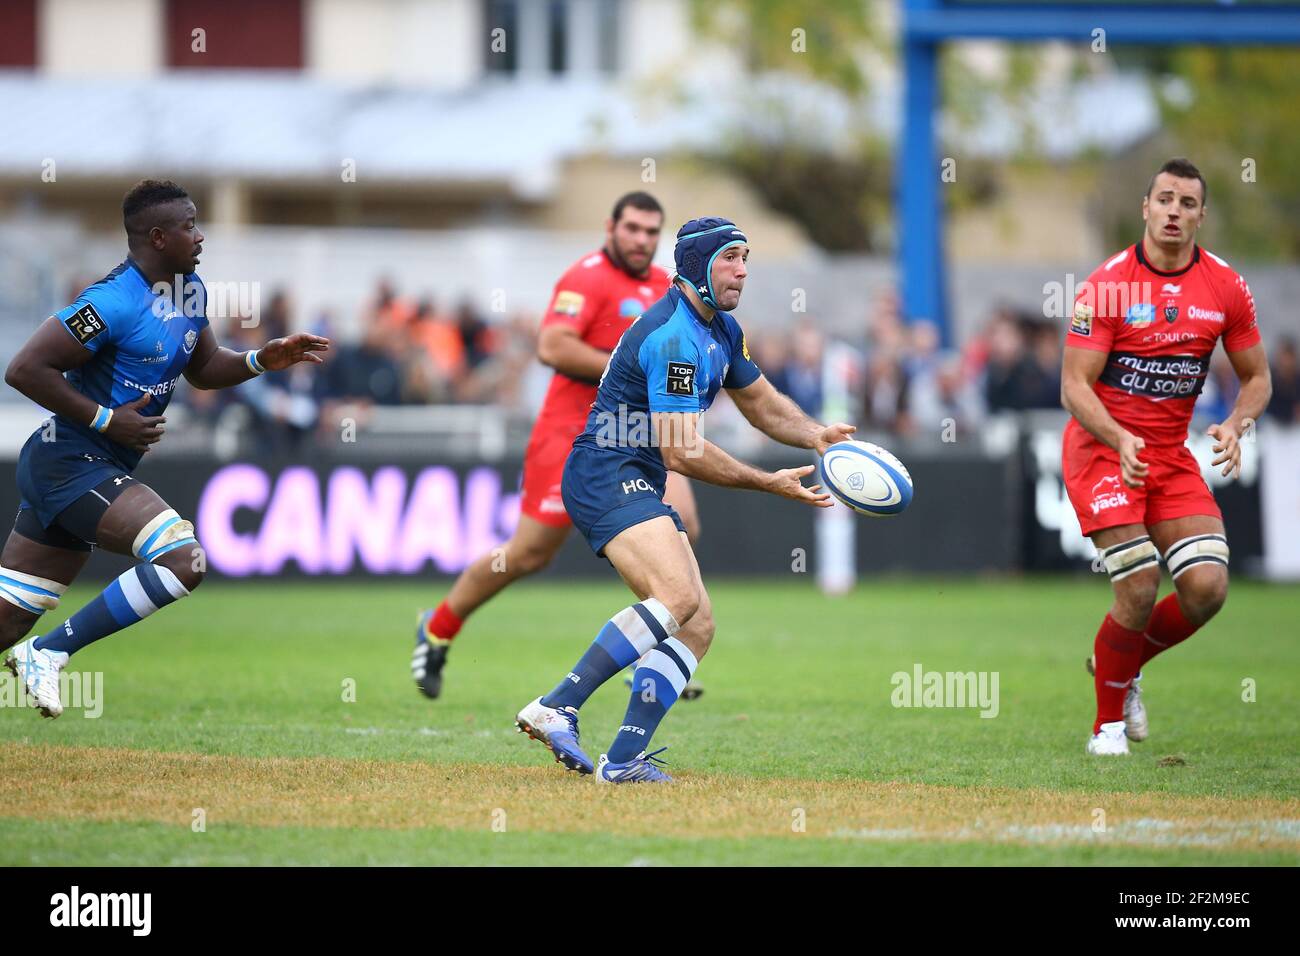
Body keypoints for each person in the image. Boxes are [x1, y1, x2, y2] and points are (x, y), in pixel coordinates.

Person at [513, 216, 855, 782]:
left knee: (696, 624)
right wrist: (766, 481)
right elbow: (683, 454)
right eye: (730, 258)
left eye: (746, 257)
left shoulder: (721, 328)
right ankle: (557, 705)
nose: (743, 270)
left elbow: (764, 404)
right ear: (697, 266)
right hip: (606, 468)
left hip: (635, 472)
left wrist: (814, 433)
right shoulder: (675, 336)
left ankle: (621, 760)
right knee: (675, 596)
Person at [0, 180, 329, 717]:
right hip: (70, 461)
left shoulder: (189, 290)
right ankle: (48, 651)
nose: (200, 236)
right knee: (184, 557)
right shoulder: (107, 302)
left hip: (91, 466)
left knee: (8, 618)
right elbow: (24, 369)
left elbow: (202, 369)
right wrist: (107, 419)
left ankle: (32, 643)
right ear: (157, 237)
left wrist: (261, 360)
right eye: (189, 226)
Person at [411, 192, 706, 699]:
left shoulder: (665, 285)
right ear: (611, 226)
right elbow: (552, 346)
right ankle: (437, 627)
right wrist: (628, 363)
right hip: (571, 437)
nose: (641, 239)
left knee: (685, 526)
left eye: (651, 231)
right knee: (526, 556)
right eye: (632, 228)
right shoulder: (586, 277)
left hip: (638, 436)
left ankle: (653, 650)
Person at [1060, 158, 1271, 755]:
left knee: (1207, 589)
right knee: (1138, 586)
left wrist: (1236, 422)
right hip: (1102, 450)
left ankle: (1116, 665)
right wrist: (1120, 437)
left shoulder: (1226, 286)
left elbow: (1258, 377)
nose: (1174, 211)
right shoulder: (1107, 285)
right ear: (1146, 208)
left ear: (1201, 215)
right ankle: (1106, 730)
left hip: (1169, 456)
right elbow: (1073, 386)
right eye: (1165, 200)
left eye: (1187, 203)